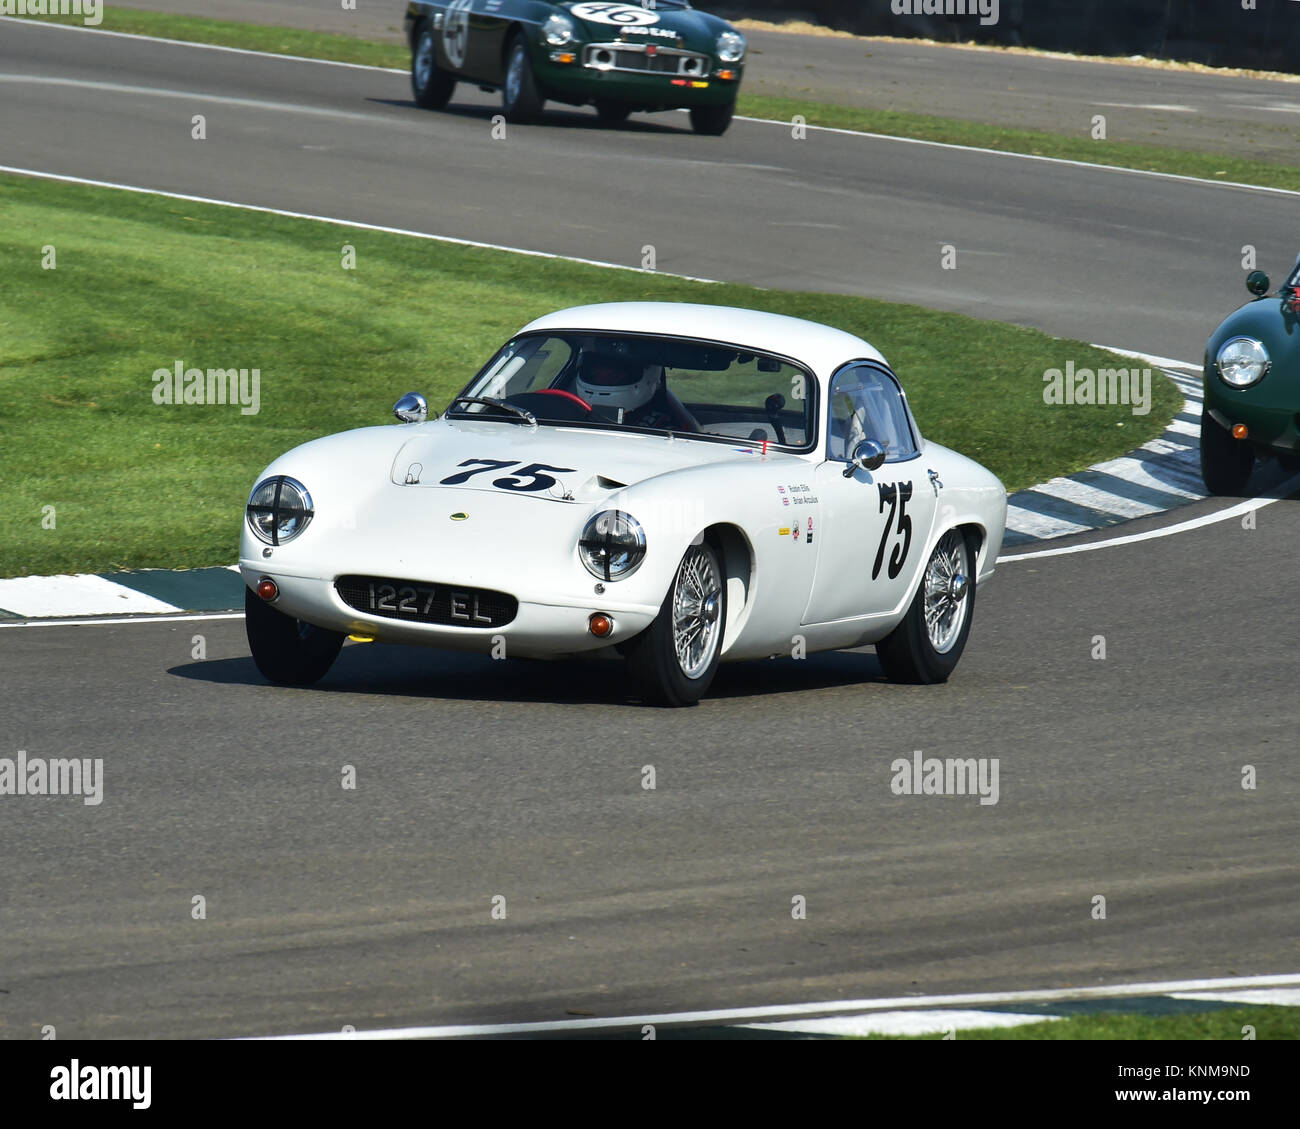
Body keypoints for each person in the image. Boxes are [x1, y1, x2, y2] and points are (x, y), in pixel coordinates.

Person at [573, 349, 697, 431]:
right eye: (596, 372)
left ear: (649, 376)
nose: (603, 376)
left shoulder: (663, 430)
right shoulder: (570, 414)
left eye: (614, 375)